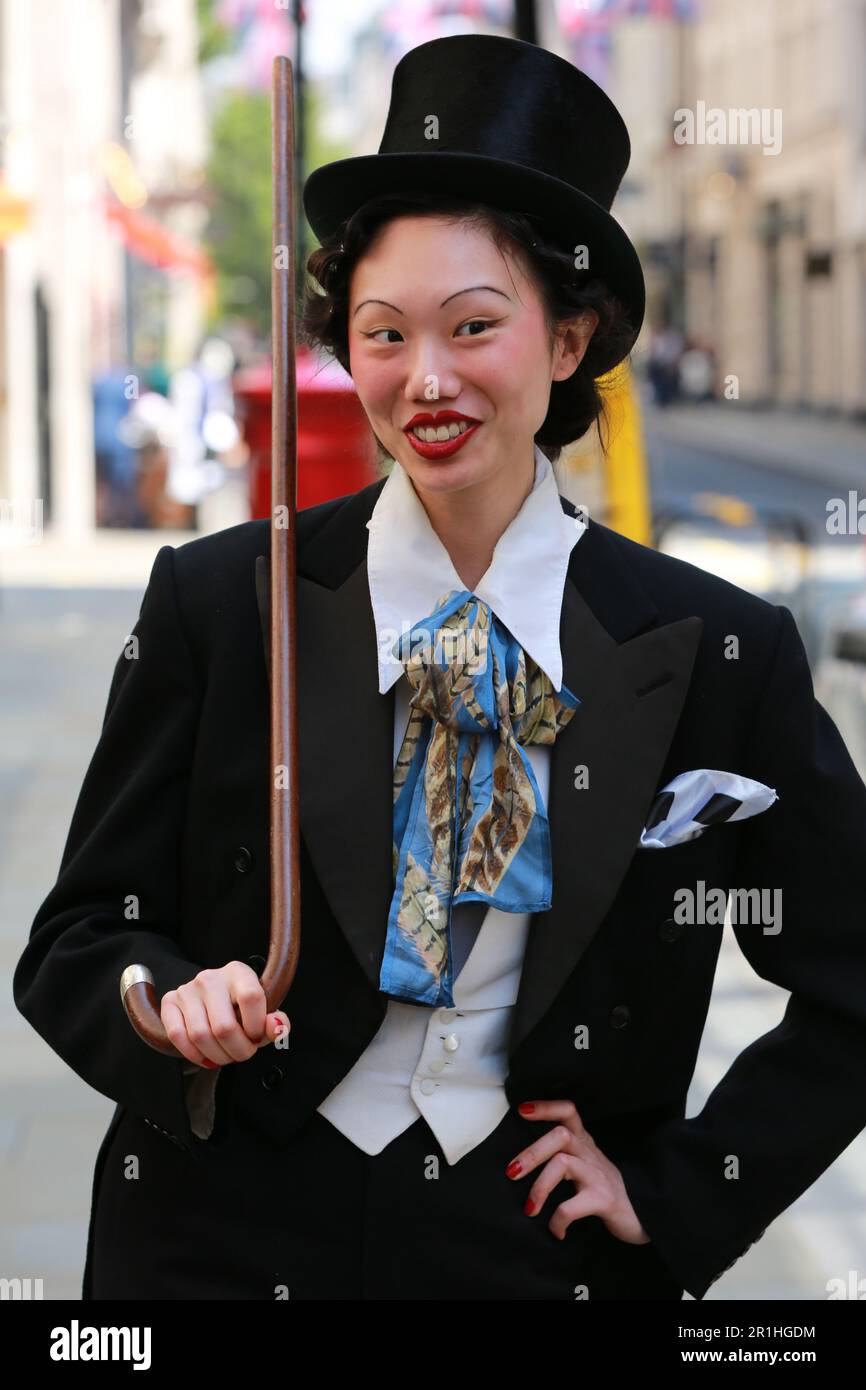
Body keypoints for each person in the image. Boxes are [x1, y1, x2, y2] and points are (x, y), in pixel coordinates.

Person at [13, 34, 866, 1302]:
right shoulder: (215, 602)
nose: (425, 379)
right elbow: (80, 938)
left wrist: (682, 1194)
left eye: (474, 326)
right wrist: (164, 1001)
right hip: (224, 1242)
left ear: (568, 339)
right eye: (381, 331)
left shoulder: (714, 650)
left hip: (533, 1258)